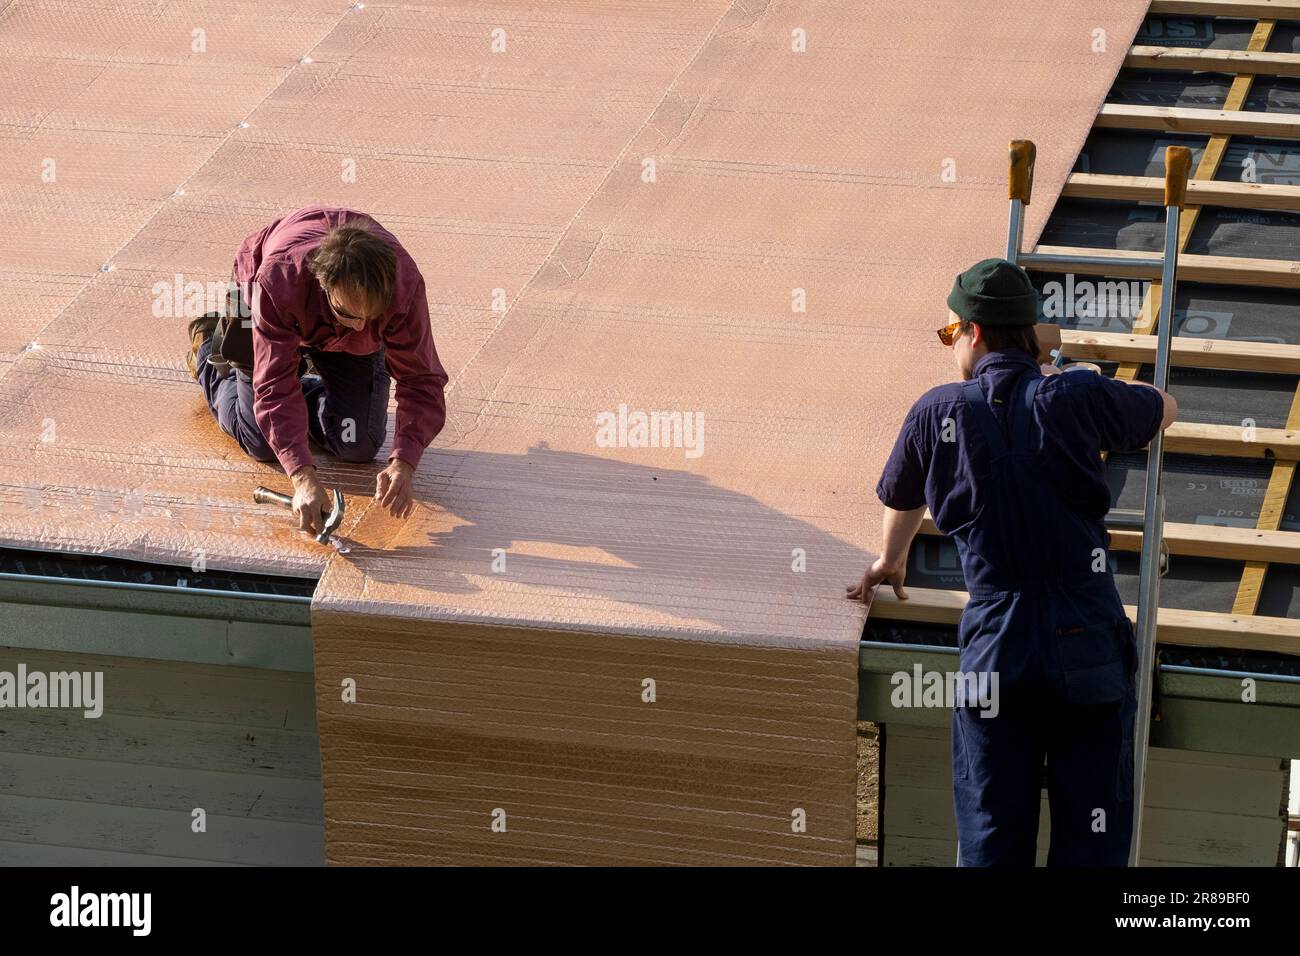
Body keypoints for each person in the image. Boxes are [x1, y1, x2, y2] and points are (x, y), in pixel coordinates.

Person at [847, 258, 1177, 866]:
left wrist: (889, 562)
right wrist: (1087, 382)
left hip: (998, 647)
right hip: (1088, 642)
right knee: (1093, 836)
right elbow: (1162, 408)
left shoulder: (936, 412)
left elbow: (902, 497)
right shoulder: (1075, 394)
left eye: (949, 334)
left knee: (993, 830)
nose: (950, 347)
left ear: (973, 332)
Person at [185, 206, 449, 533]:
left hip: (327, 329)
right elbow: (275, 388)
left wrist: (404, 463)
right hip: (262, 304)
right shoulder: (276, 282)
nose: (360, 325)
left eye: (372, 316)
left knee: (358, 443)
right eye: (349, 314)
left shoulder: (404, 287)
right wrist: (303, 478)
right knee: (261, 443)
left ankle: (306, 389)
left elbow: (421, 379)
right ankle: (210, 348)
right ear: (324, 283)